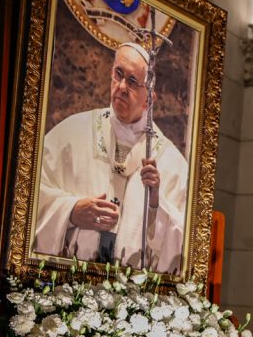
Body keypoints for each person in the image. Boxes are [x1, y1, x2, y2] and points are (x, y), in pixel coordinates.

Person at [33, 42, 189, 274]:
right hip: (68, 282)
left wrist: (156, 204)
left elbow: (184, 242)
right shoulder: (71, 133)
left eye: (133, 81)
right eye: (118, 74)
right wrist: (72, 211)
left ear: (150, 99)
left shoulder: (171, 163)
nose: (122, 86)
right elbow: (29, 196)